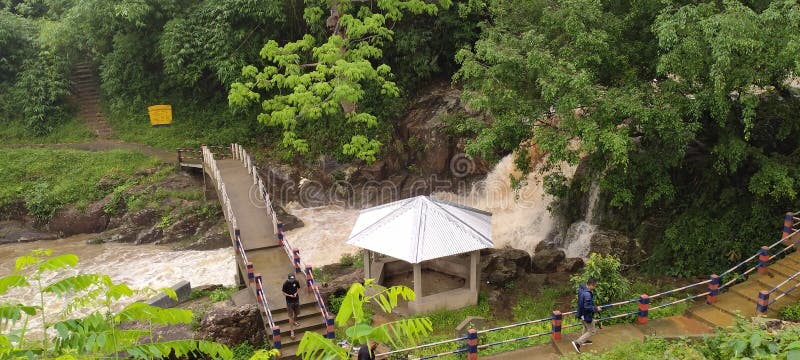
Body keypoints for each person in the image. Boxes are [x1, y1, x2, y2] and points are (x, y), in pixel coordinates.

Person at [572, 278, 602, 353]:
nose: (595, 288)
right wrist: (596, 308)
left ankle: (584, 341)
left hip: (581, 313)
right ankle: (577, 343)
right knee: (592, 331)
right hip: (586, 315)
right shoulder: (587, 294)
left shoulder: (581, 289)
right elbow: (587, 307)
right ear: (591, 285)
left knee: (585, 326)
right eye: (594, 286)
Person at [282, 273, 301, 339]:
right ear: (288, 279)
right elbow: (283, 293)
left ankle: (294, 321)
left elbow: (298, 288)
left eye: (293, 279)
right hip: (289, 302)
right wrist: (289, 295)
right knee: (290, 316)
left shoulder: (296, 282)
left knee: (297, 313)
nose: (292, 280)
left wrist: (296, 293)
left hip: (296, 300)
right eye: (291, 279)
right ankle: (292, 331)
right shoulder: (285, 284)